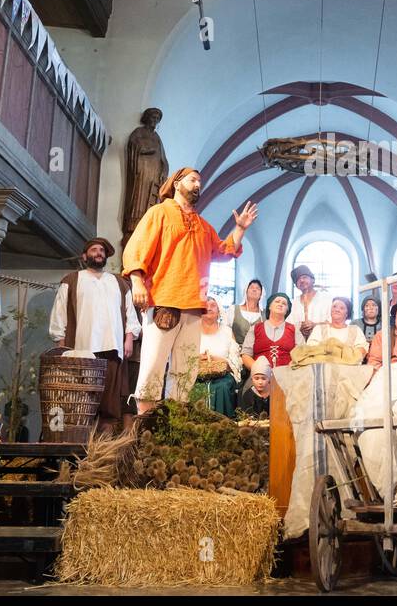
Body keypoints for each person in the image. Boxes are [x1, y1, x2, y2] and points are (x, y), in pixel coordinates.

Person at [122, 167, 257, 415]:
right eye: (192, 179)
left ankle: (174, 427)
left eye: (200, 182)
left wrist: (240, 229)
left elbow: (225, 250)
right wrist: (137, 280)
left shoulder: (203, 226)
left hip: (194, 306)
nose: (197, 185)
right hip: (164, 300)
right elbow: (137, 247)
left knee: (185, 370)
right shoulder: (159, 213)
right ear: (176, 183)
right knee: (152, 365)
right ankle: (144, 425)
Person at [48, 237, 142, 434]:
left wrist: (128, 339)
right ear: (85, 256)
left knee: (109, 406)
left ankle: (103, 451)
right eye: (94, 250)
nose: (98, 252)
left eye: (102, 250)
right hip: (82, 352)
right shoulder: (72, 280)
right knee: (83, 403)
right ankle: (83, 449)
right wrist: (62, 347)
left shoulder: (119, 282)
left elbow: (130, 314)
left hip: (112, 350)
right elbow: (60, 315)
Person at [121, 108, 168, 244]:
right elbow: (134, 146)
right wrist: (146, 150)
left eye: (157, 119)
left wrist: (163, 172)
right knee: (140, 196)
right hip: (142, 174)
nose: (154, 121)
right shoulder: (139, 132)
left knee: (151, 200)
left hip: (154, 175)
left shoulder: (157, 138)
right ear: (146, 118)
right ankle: (133, 224)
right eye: (152, 117)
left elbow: (163, 158)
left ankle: (148, 224)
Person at [195, 297, 243, 418]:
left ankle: (223, 428)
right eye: (206, 305)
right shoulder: (191, 330)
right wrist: (197, 358)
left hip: (223, 375)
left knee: (222, 387)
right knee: (194, 387)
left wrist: (220, 361)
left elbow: (235, 359)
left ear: (219, 311)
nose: (209, 308)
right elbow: (184, 355)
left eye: (213, 305)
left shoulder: (227, 331)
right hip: (196, 375)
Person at [241, 292, 297, 374]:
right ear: (269, 306)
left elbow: (300, 356)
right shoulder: (255, 329)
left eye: (284, 303)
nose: (280, 304)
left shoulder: (295, 330)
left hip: (288, 378)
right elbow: (246, 355)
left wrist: (288, 372)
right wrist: (259, 371)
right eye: (277, 301)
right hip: (259, 379)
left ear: (287, 310)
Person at [286, 264, 331, 341]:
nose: (302, 280)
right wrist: (300, 328)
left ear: (313, 280)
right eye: (298, 279)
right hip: (300, 346)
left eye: (304, 277)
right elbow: (289, 326)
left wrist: (315, 325)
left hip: (322, 345)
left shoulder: (326, 298)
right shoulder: (293, 303)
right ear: (296, 285)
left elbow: (334, 322)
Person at [227, 278, 264, 347]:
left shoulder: (265, 314)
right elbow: (226, 330)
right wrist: (235, 348)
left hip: (257, 352)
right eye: (251, 287)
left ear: (261, 294)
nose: (254, 290)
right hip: (236, 351)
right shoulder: (234, 309)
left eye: (258, 289)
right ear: (246, 291)